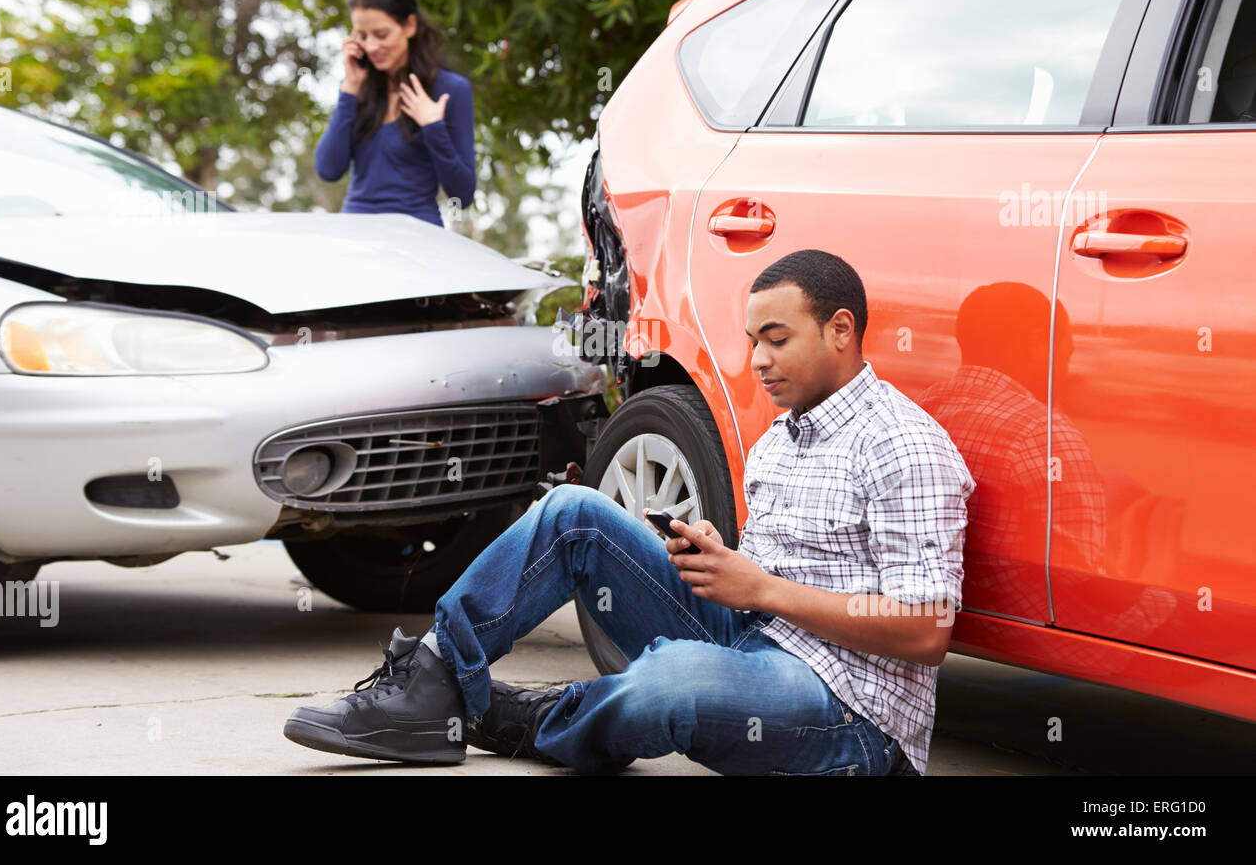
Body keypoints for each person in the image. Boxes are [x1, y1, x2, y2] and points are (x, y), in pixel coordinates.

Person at [282, 249, 976, 775]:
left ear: (842, 330)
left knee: (667, 682)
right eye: (751, 341)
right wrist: (721, 561)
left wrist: (761, 588)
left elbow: (925, 632)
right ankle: (432, 680)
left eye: (776, 338)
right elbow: (766, 590)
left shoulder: (903, 446)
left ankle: (522, 717)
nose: (757, 361)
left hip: (850, 717)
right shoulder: (779, 439)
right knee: (573, 510)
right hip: (755, 638)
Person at [313, 0, 475, 226]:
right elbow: (328, 170)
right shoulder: (357, 86)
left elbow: (462, 196)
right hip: (354, 233)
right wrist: (350, 90)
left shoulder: (449, 89)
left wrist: (433, 127)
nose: (372, 47)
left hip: (416, 238)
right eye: (362, 36)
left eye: (381, 34)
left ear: (409, 26)